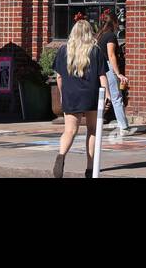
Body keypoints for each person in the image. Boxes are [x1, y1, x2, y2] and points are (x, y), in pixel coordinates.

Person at [52, 19, 110, 178]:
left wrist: (63, 94)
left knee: (69, 130)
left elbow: (58, 77)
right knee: (92, 130)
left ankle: (61, 155)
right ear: (88, 33)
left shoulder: (64, 50)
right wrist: (107, 96)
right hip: (90, 95)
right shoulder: (95, 50)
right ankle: (90, 168)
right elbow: (102, 77)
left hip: (71, 94)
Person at [96, 11, 129, 138]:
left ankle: (97, 122)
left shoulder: (99, 36)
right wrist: (118, 73)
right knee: (116, 97)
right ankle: (124, 126)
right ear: (114, 22)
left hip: (100, 68)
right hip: (109, 67)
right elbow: (111, 55)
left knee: (105, 97)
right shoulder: (110, 36)